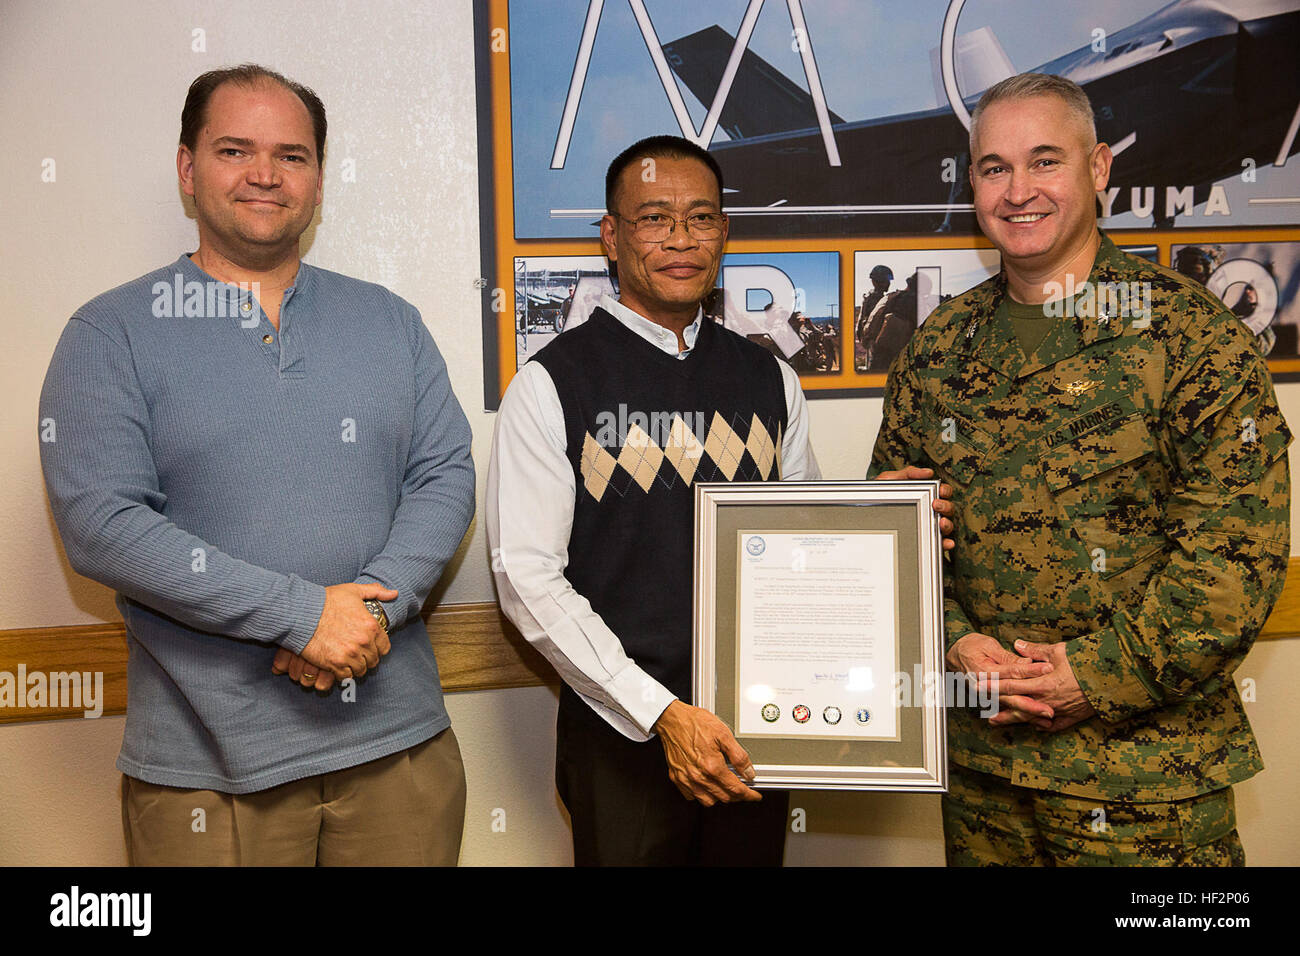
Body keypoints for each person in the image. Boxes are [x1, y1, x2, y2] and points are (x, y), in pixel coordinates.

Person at [38, 65, 475, 866]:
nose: (266, 175)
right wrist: (302, 616)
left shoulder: (390, 321)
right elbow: (103, 527)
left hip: (399, 748)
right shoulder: (109, 334)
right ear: (186, 167)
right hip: (206, 773)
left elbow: (445, 474)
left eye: (293, 155)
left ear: (317, 177)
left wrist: (368, 614)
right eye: (235, 149)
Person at [487, 135, 951, 865]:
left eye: (701, 218)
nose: (681, 240)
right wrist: (664, 715)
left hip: (756, 728)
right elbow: (527, 579)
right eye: (654, 219)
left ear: (725, 235)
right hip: (623, 736)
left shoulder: (768, 380)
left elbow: (799, 538)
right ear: (611, 236)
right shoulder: (552, 386)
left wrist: (871, 520)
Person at [869, 73, 1290, 866]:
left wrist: (1090, 676)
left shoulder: (1192, 337)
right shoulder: (938, 348)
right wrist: (955, 641)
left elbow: (1234, 564)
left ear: (1098, 169)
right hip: (987, 780)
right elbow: (899, 539)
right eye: (994, 168)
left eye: (1044, 161)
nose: (1018, 190)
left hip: (1148, 786)